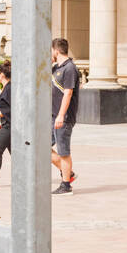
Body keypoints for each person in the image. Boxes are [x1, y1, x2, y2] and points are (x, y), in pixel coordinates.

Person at [51, 38, 79, 195]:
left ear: (56, 50)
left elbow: (68, 93)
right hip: (52, 116)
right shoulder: (56, 68)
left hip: (63, 117)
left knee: (63, 151)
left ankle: (66, 185)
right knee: (41, 145)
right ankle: (69, 172)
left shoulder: (69, 68)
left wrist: (61, 115)